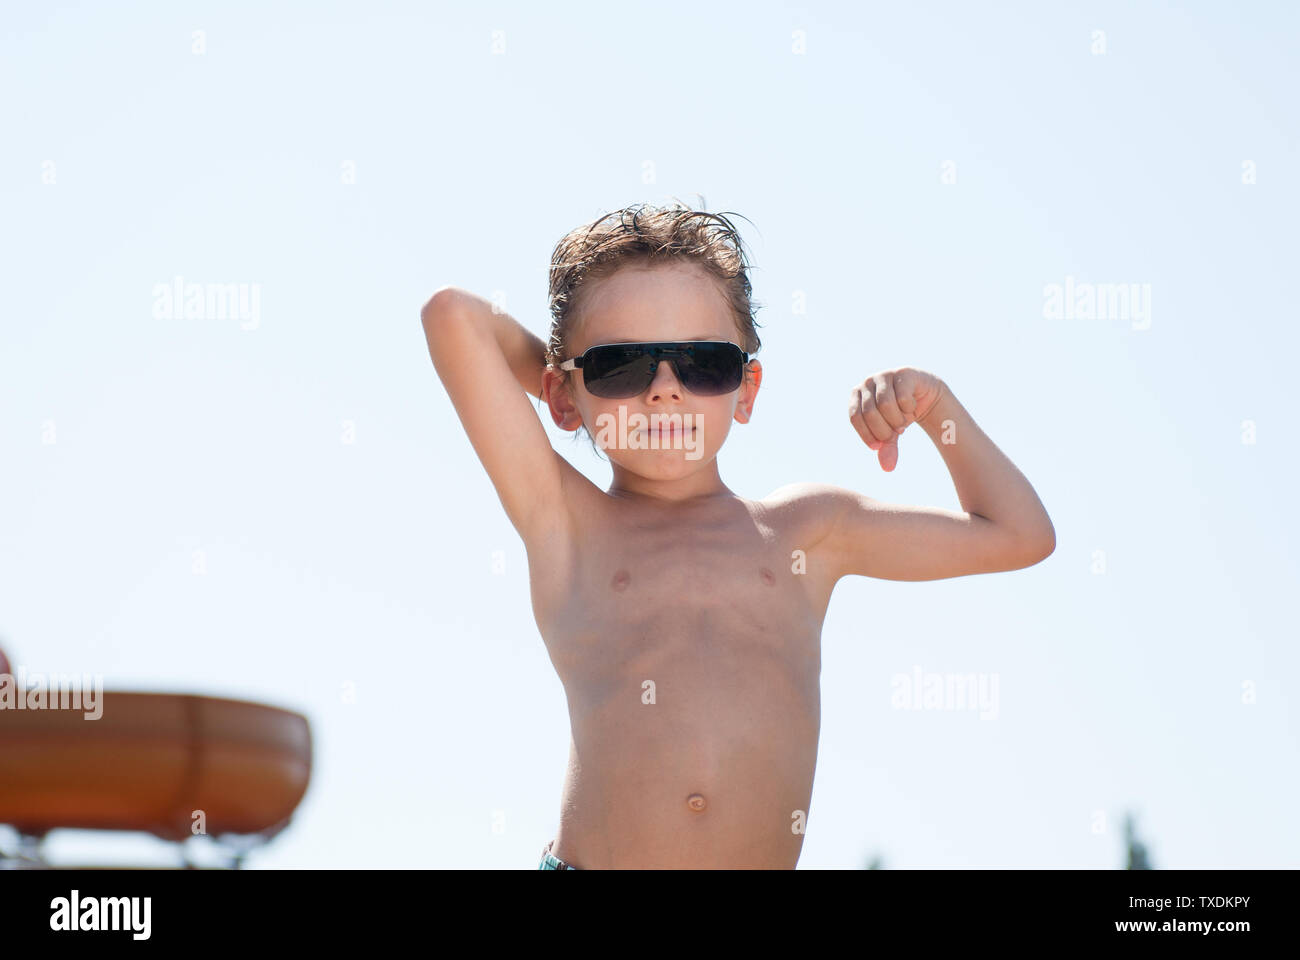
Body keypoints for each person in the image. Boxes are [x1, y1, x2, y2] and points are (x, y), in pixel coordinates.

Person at [420, 202, 1055, 869]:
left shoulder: (805, 532)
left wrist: (936, 409)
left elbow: (1018, 534)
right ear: (559, 394)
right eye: (624, 367)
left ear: (746, 390)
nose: (665, 390)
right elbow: (452, 316)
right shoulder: (566, 524)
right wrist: (573, 392)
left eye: (702, 363)